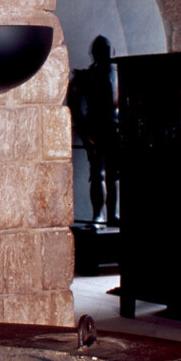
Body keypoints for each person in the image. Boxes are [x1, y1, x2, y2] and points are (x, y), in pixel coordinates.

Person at [66, 35, 118, 224]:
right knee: (98, 174)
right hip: (96, 129)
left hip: (115, 129)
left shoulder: (118, 73)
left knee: (114, 175)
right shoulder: (86, 77)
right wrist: (85, 132)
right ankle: (99, 215)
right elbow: (73, 105)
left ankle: (112, 214)